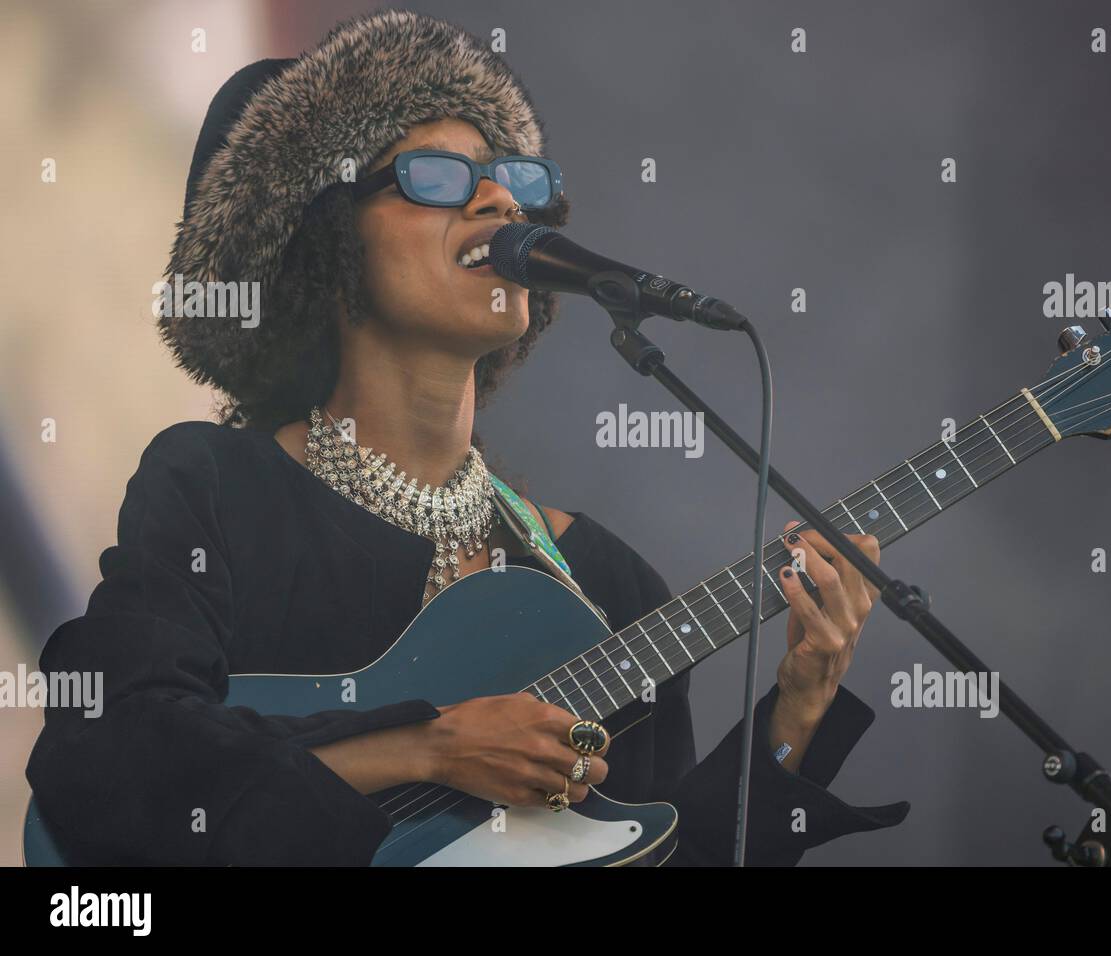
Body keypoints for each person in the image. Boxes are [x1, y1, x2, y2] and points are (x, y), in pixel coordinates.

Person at [26, 9, 908, 866]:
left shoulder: (608, 582)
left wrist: (801, 704)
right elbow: (104, 758)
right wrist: (428, 751)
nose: (496, 197)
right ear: (326, 243)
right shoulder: (218, 488)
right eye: (437, 177)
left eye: (510, 178)